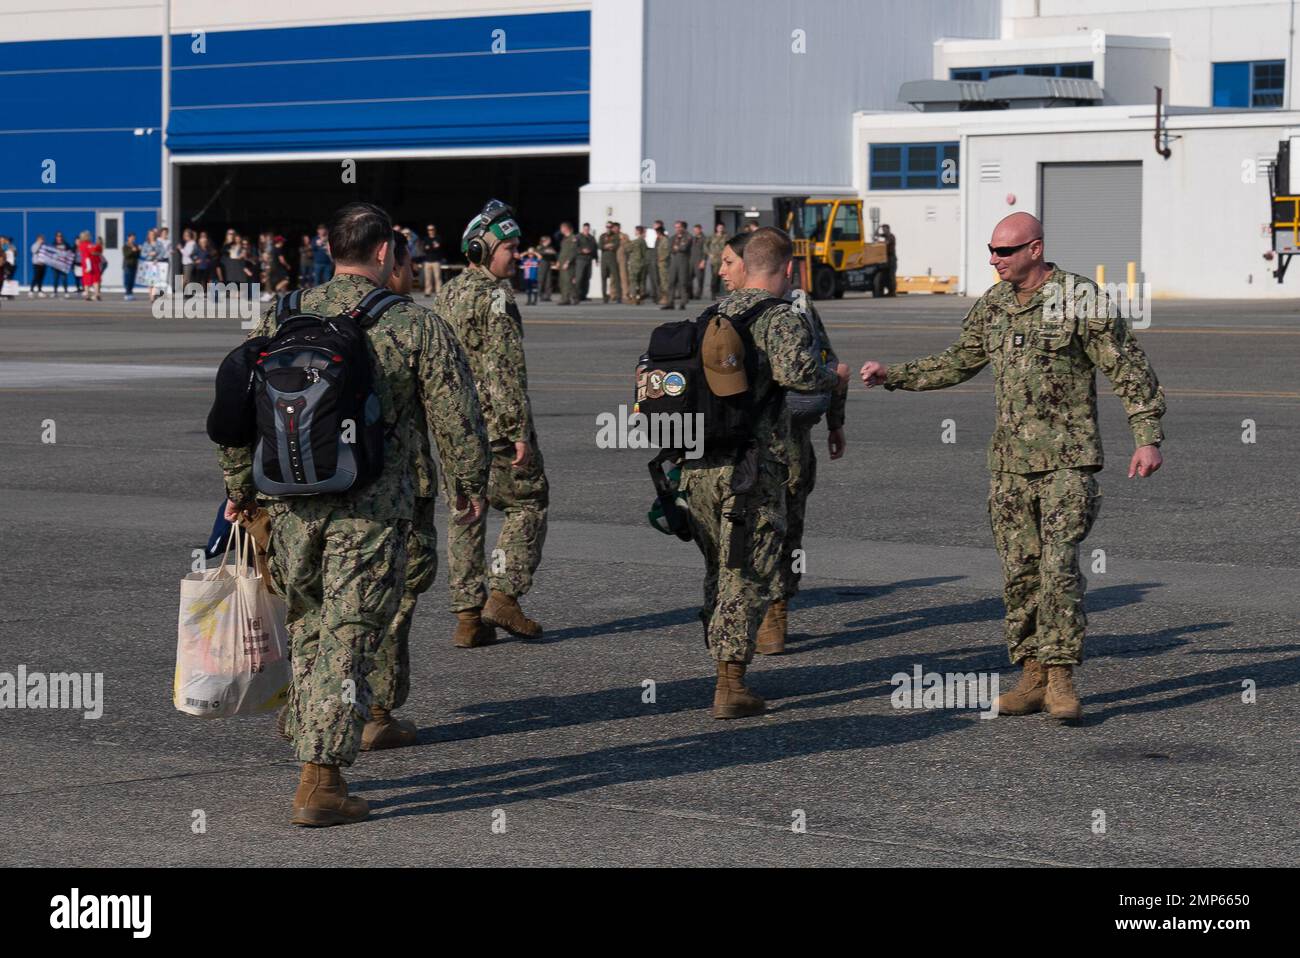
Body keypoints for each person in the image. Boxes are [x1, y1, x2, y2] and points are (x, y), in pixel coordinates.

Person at [219, 202, 490, 826]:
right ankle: (321, 780)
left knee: (312, 621)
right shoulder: (411, 325)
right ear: (384, 253)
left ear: (329, 248)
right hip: (371, 509)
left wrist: (240, 487)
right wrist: (469, 485)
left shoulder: (282, 313)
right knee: (351, 633)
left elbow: (236, 404)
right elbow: (455, 413)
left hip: (289, 505)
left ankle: (309, 725)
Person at [859, 212, 1166, 721]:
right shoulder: (995, 304)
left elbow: (1127, 367)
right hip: (1008, 465)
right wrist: (895, 374)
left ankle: (1062, 677)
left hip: (1067, 460)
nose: (993, 259)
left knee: (1058, 567)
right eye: (991, 250)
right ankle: (1031, 674)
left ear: (1035, 249)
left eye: (1004, 251)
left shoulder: (1079, 298)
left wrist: (1147, 438)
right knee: (1019, 573)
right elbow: (958, 360)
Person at [681, 227, 848, 718]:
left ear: (742, 265)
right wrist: (831, 378)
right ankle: (730, 684)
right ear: (788, 269)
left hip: (699, 466)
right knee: (748, 572)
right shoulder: (780, 317)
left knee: (718, 567)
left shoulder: (713, 313)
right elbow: (801, 375)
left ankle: (722, 667)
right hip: (751, 470)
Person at [435, 199, 549, 646]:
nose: (516, 255)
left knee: (466, 511)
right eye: (510, 247)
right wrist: (518, 429)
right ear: (482, 249)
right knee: (529, 502)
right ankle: (503, 593)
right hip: (496, 427)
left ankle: (467, 618)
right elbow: (505, 368)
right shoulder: (496, 296)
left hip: (453, 425)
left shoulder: (447, 291)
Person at [666, 220, 692, 310]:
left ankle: (683, 302)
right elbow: (670, 248)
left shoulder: (688, 236)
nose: (677, 229)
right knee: (671, 282)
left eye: (678, 227)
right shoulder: (673, 237)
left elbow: (684, 248)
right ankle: (670, 302)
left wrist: (677, 247)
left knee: (683, 282)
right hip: (674, 261)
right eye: (676, 227)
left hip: (683, 261)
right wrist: (676, 248)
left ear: (683, 227)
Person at [598, 221, 622, 303]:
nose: (608, 228)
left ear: (612, 227)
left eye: (610, 227)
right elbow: (600, 246)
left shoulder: (615, 236)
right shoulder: (602, 236)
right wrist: (608, 245)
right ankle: (605, 297)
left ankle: (619, 297)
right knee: (603, 278)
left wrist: (607, 246)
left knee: (616, 278)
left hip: (612, 259)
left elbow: (616, 245)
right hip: (604, 259)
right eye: (607, 227)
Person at [556, 221, 578, 305]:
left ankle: (566, 299)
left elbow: (573, 251)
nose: (561, 230)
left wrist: (568, 262)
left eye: (562, 228)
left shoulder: (573, 238)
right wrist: (558, 261)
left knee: (567, 281)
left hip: (568, 263)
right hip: (562, 262)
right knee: (562, 281)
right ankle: (573, 297)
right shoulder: (564, 238)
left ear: (566, 228)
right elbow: (562, 251)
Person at [574, 222, 597, 303]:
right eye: (585, 229)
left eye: (588, 229)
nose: (586, 230)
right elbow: (574, 248)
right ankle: (576, 295)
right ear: (583, 229)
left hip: (589, 260)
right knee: (579, 278)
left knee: (587, 278)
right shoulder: (578, 237)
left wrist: (596, 259)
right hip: (580, 259)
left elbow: (595, 248)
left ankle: (584, 295)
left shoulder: (591, 237)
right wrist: (582, 250)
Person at [77, 231, 103, 301]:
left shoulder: (81, 245)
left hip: (86, 264)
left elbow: (85, 254)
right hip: (93, 263)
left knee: (86, 280)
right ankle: (97, 294)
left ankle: (87, 294)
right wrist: (98, 248)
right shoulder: (90, 245)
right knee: (96, 280)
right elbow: (94, 252)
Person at [421, 224, 445, 298]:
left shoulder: (438, 238)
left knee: (437, 277)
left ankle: (438, 291)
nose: (430, 231)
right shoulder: (425, 238)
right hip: (427, 260)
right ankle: (428, 291)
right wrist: (432, 247)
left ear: (434, 230)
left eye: (432, 229)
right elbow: (424, 249)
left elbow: (438, 247)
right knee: (428, 277)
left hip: (436, 260)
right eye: (429, 230)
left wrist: (430, 247)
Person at [626, 226, 648, 305]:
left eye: (635, 231)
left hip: (635, 264)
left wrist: (626, 240)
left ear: (638, 231)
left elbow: (627, 248)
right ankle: (641, 298)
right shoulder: (644, 241)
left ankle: (634, 298)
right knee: (641, 281)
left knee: (633, 281)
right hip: (643, 263)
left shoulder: (635, 241)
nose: (635, 232)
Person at [704, 222, 727, 299]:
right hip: (714, 260)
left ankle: (722, 293)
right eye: (719, 227)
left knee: (723, 277)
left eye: (722, 227)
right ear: (716, 228)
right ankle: (713, 293)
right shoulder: (712, 237)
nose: (720, 229)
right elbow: (705, 246)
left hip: (723, 260)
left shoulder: (726, 237)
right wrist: (709, 253)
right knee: (714, 277)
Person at [654, 220, 671, 307]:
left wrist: (661, 259)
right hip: (660, 264)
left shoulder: (665, 240)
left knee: (665, 281)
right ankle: (662, 297)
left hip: (664, 264)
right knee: (661, 281)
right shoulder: (659, 240)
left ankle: (666, 298)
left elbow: (667, 252)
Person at [877, 223, 897, 296]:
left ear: (888, 229)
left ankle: (893, 292)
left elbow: (887, 243)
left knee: (891, 275)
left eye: (884, 229)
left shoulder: (891, 236)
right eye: (883, 229)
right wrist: (878, 227)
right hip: (886, 258)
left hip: (892, 258)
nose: (883, 231)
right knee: (886, 275)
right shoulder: (885, 235)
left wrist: (880, 242)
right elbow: (876, 234)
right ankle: (889, 291)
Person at [537, 234, 557, 301]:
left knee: (548, 281)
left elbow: (554, 254)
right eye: (548, 240)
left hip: (549, 264)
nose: (549, 241)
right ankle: (540, 295)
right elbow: (538, 253)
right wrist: (546, 252)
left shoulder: (550, 247)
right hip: (542, 264)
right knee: (541, 280)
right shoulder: (540, 247)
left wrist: (554, 261)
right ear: (544, 241)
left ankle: (548, 296)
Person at [690, 223, 706, 299]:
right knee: (689, 278)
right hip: (692, 261)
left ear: (700, 229)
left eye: (697, 230)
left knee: (700, 278)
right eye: (694, 230)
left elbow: (705, 251)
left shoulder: (704, 239)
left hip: (699, 261)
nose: (695, 231)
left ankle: (698, 294)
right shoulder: (692, 238)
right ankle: (690, 294)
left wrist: (703, 261)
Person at [122, 233, 140, 301]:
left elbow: (138, 256)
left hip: (134, 265)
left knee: (132, 280)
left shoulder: (135, 245)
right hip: (127, 265)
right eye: (131, 238)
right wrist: (132, 250)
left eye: (134, 238)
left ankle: (130, 294)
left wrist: (138, 250)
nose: (133, 239)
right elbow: (126, 255)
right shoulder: (125, 246)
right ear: (128, 238)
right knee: (127, 280)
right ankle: (127, 293)